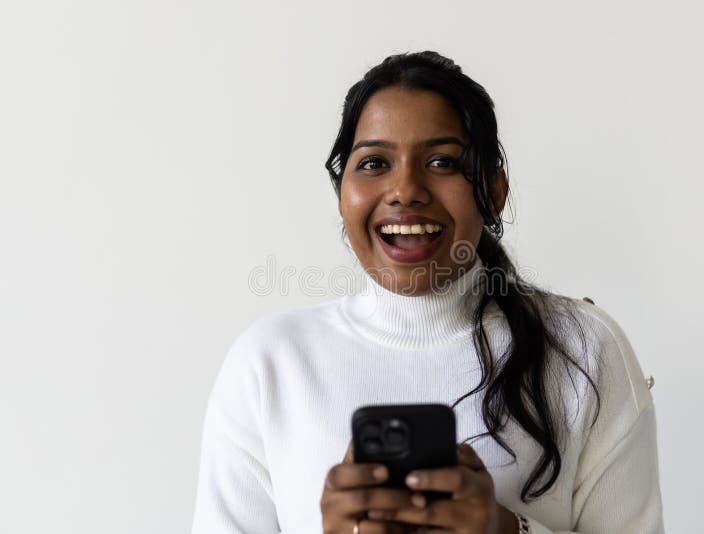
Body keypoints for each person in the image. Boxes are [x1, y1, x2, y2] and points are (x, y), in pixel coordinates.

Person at [190, 51, 664, 534]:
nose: (405, 190)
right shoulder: (268, 362)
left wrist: (503, 529)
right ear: (342, 194)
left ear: (494, 191)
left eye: (442, 161)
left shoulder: (583, 348)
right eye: (374, 162)